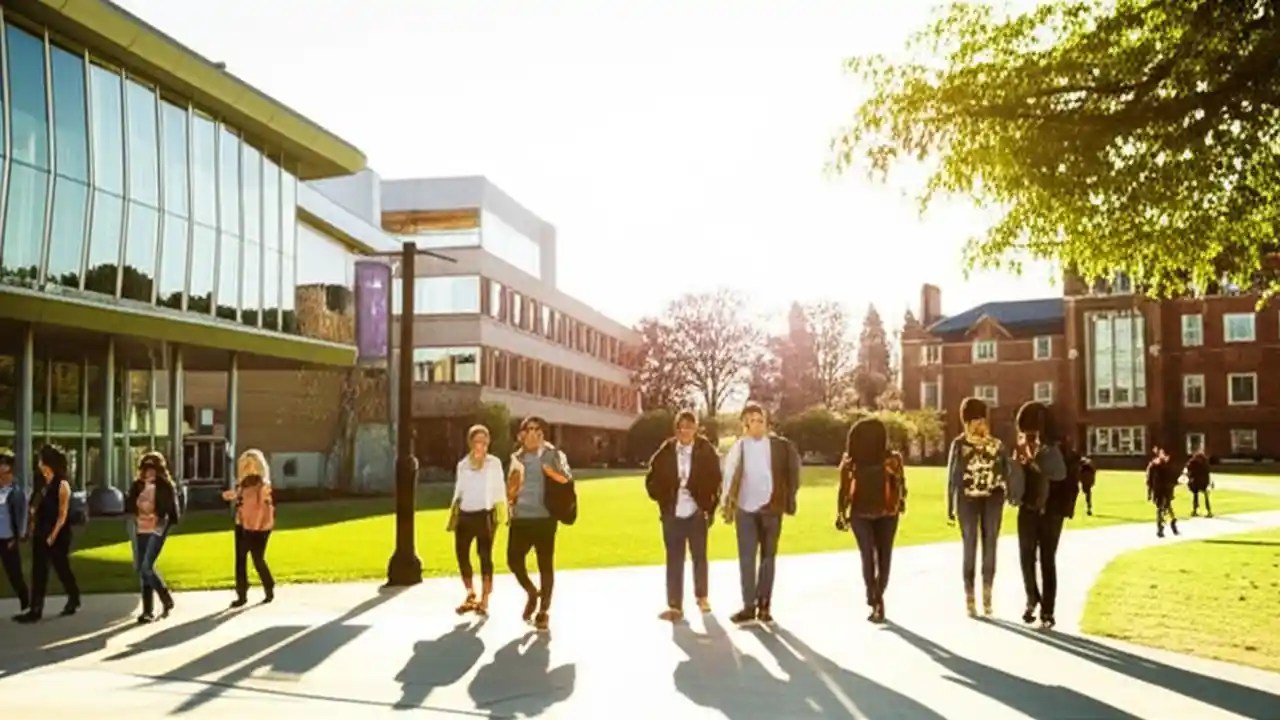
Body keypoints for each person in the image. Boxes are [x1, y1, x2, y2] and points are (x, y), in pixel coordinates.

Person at [720, 401, 800, 626]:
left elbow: (793, 473)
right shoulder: (739, 447)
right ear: (745, 423)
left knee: (768, 558)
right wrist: (727, 504)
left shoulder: (780, 446)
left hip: (771, 509)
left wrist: (788, 499)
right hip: (745, 510)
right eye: (752, 420)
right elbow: (728, 477)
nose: (756, 425)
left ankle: (765, 605)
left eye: (760, 420)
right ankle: (748, 606)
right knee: (746, 559)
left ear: (766, 423)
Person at [644, 410, 721, 622]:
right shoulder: (666, 451)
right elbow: (651, 479)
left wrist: (708, 506)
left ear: (696, 429)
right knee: (674, 559)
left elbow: (717, 480)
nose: (685, 431)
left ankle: (702, 596)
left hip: (696, 512)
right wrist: (662, 499)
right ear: (676, 429)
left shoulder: (706, 450)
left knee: (699, 557)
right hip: (672, 514)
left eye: (690, 427)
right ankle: (675, 605)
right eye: (682, 427)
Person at [1007, 402, 1074, 630]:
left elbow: (1059, 473)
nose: (1028, 437)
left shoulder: (1053, 448)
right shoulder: (1023, 446)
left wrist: (1033, 461)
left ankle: (1048, 610)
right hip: (1028, 507)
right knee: (1026, 557)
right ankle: (1031, 598)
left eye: (1031, 432)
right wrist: (1017, 464)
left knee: (1047, 559)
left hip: (1051, 511)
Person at [835, 418, 907, 624]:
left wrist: (840, 513)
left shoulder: (888, 461)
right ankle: (876, 597)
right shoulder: (853, 463)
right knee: (879, 556)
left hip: (878, 513)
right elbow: (844, 490)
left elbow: (843, 492)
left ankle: (875, 597)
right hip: (875, 513)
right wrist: (841, 513)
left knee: (872, 556)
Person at [507, 416, 574, 632]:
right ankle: (531, 592)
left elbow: (567, 478)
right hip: (520, 518)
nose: (533, 433)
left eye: (538, 429)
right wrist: (510, 496)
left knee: (545, 564)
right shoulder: (516, 458)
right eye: (529, 429)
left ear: (543, 434)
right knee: (513, 560)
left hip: (545, 518)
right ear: (522, 434)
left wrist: (549, 471)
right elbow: (510, 488)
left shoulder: (554, 454)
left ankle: (543, 611)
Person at [946, 396, 1011, 618]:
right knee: (970, 545)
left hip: (992, 498)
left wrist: (1008, 493)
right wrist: (950, 506)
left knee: (990, 544)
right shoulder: (959, 444)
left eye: (980, 419)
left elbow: (1006, 472)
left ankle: (987, 594)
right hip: (968, 499)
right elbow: (953, 476)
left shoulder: (997, 444)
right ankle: (971, 596)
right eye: (973, 419)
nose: (977, 424)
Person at [16, 444, 81, 623]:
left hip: (58, 533)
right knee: (38, 571)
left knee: (61, 567)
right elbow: (34, 507)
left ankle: (73, 596)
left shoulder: (62, 485)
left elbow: (62, 514)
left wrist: (52, 536)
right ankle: (35, 609)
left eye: (41, 460)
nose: (38, 463)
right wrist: (30, 527)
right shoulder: (41, 483)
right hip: (40, 532)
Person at [449, 424, 507, 617]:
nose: (480, 445)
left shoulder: (494, 463)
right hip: (465, 515)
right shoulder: (463, 465)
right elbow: (459, 491)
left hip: (485, 515)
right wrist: (454, 514)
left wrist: (500, 515)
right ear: (470, 443)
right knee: (462, 555)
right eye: (476, 441)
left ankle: (485, 599)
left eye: (483, 441)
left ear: (488, 442)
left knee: (485, 556)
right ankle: (470, 593)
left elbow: (500, 490)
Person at [124, 451, 181, 623]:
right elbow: (128, 505)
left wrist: (158, 518)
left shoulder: (165, 486)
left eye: (153, 469)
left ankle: (165, 597)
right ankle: (147, 611)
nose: (149, 473)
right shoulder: (137, 486)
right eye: (146, 469)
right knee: (142, 570)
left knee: (146, 566)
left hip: (157, 529)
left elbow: (170, 511)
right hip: (140, 528)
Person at [222, 449, 276, 607]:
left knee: (257, 558)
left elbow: (264, 509)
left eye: (251, 464)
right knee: (240, 559)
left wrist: (255, 527)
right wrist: (230, 495)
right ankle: (242, 593)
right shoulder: (243, 485)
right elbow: (241, 498)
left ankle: (268, 586)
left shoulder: (263, 487)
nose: (248, 468)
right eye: (245, 465)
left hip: (259, 528)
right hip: (242, 524)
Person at [0, 448, 30, 618]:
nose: (1, 476)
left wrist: (18, 536)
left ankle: (25, 601)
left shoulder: (16, 494)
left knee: (14, 572)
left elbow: (21, 516)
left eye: (4, 473)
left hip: (8, 538)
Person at [1147, 446, 1179, 538]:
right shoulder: (1154, 466)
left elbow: (1173, 478)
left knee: (1166, 508)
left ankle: (1168, 525)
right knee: (1162, 508)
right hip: (1160, 490)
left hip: (1165, 489)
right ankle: (1162, 527)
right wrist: (1149, 492)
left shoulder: (1166, 466)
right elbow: (1149, 480)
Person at [1185, 449, 1213, 518]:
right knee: (1206, 496)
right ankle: (1208, 511)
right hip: (1204, 481)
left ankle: (1195, 510)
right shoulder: (1205, 462)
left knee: (1195, 496)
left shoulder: (1192, 462)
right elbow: (1207, 472)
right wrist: (1209, 482)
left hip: (1195, 481)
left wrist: (1189, 478)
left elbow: (1188, 470)